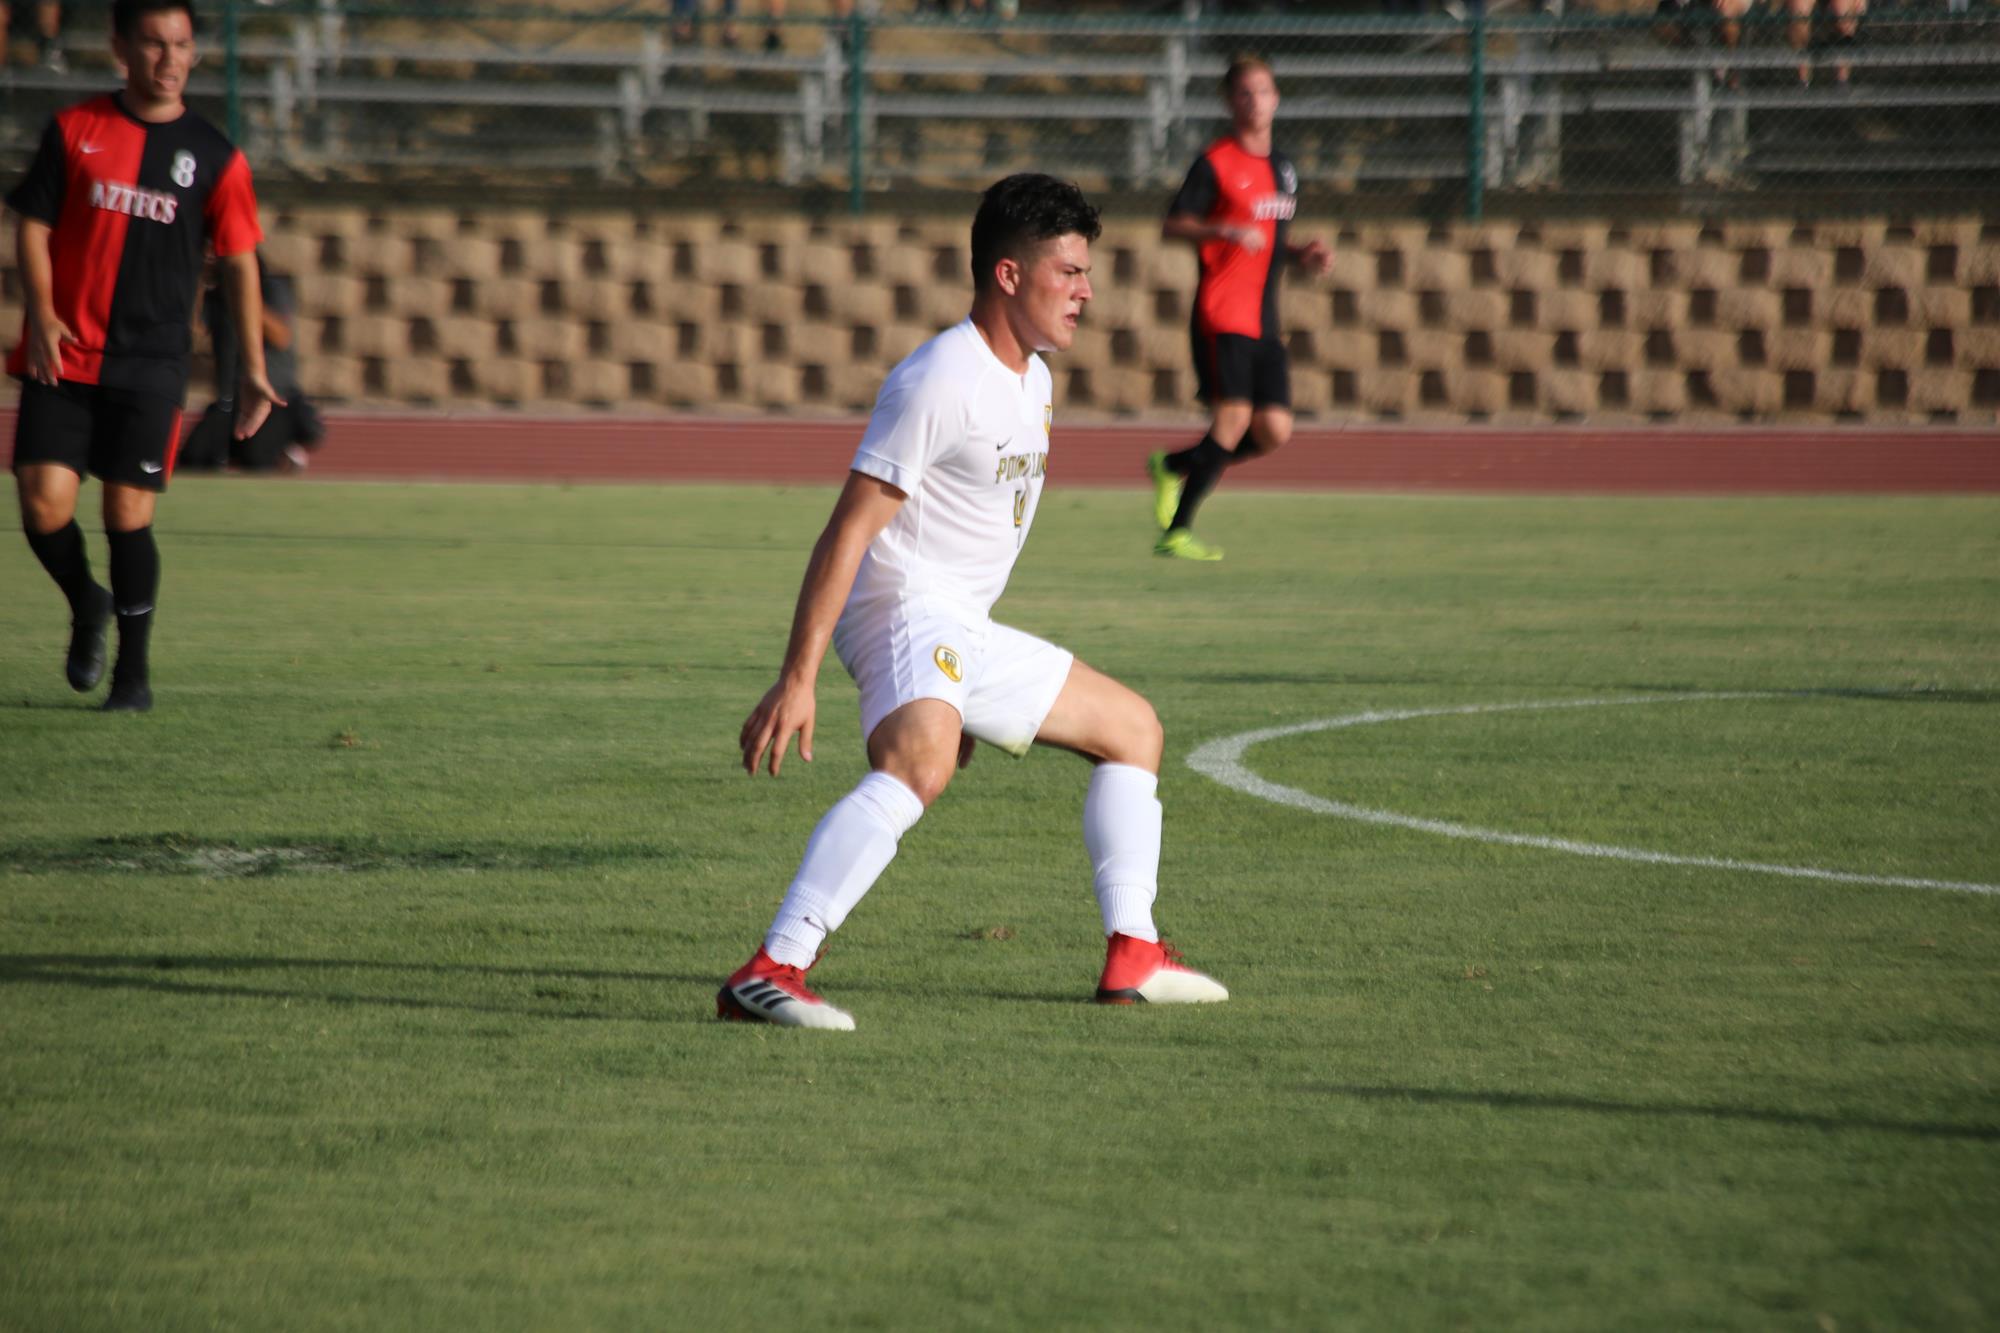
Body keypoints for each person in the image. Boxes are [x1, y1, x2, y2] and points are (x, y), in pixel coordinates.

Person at [719, 172, 1229, 1031]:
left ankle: (1134, 952)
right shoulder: (939, 378)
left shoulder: (1033, 378)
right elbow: (848, 530)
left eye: (1086, 272)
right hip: (902, 608)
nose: (1086, 291)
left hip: (959, 621)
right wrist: (797, 677)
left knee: (1133, 730)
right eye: (1069, 272)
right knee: (921, 761)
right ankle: (772, 968)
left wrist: (949, 684)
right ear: (1009, 275)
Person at [8, 0, 278, 713]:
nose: (169, 59)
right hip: (66, 352)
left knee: (127, 512)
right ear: (120, 48)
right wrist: (42, 313)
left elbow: (241, 262)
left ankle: (133, 678)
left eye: (181, 45)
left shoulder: (216, 156)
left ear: (195, 53)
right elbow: (32, 225)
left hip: (151, 360)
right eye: (154, 43)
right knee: (42, 504)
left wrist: (252, 367)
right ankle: (85, 600)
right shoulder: (74, 129)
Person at [1147, 54, 1332, 563]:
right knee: (1232, 417)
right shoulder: (1215, 161)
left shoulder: (1284, 169)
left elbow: (1271, 240)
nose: (1256, 101)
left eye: (1264, 91)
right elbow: (1173, 224)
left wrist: (1301, 254)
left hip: (1264, 320)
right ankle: (1177, 531)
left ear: (1277, 99)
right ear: (1230, 102)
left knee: (1273, 431)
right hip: (1222, 310)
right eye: (1245, 93)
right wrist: (1221, 229)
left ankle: (1173, 466)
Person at [181, 255, 324, 473]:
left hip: (273, 394)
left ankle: (287, 446)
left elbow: (281, 336)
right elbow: (196, 332)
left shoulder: (270, 288)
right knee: (194, 457)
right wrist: (198, 285)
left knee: (257, 460)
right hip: (231, 396)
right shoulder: (215, 294)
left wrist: (242, 294)